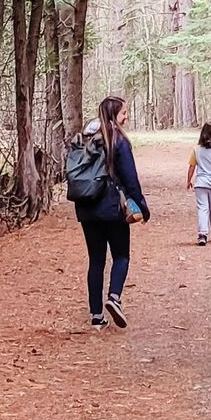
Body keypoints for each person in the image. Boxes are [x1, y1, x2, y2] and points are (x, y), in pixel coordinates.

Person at [75, 94, 149, 329]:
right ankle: (114, 297)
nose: (126, 117)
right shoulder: (118, 141)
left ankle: (96, 316)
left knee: (96, 261)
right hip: (112, 208)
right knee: (121, 256)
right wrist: (142, 206)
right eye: (124, 113)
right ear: (114, 116)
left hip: (86, 207)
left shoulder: (83, 139)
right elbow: (130, 179)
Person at [184, 120, 211, 243]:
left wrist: (189, 181)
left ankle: (202, 234)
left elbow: (192, 167)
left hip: (200, 183)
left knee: (202, 208)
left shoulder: (196, 149)